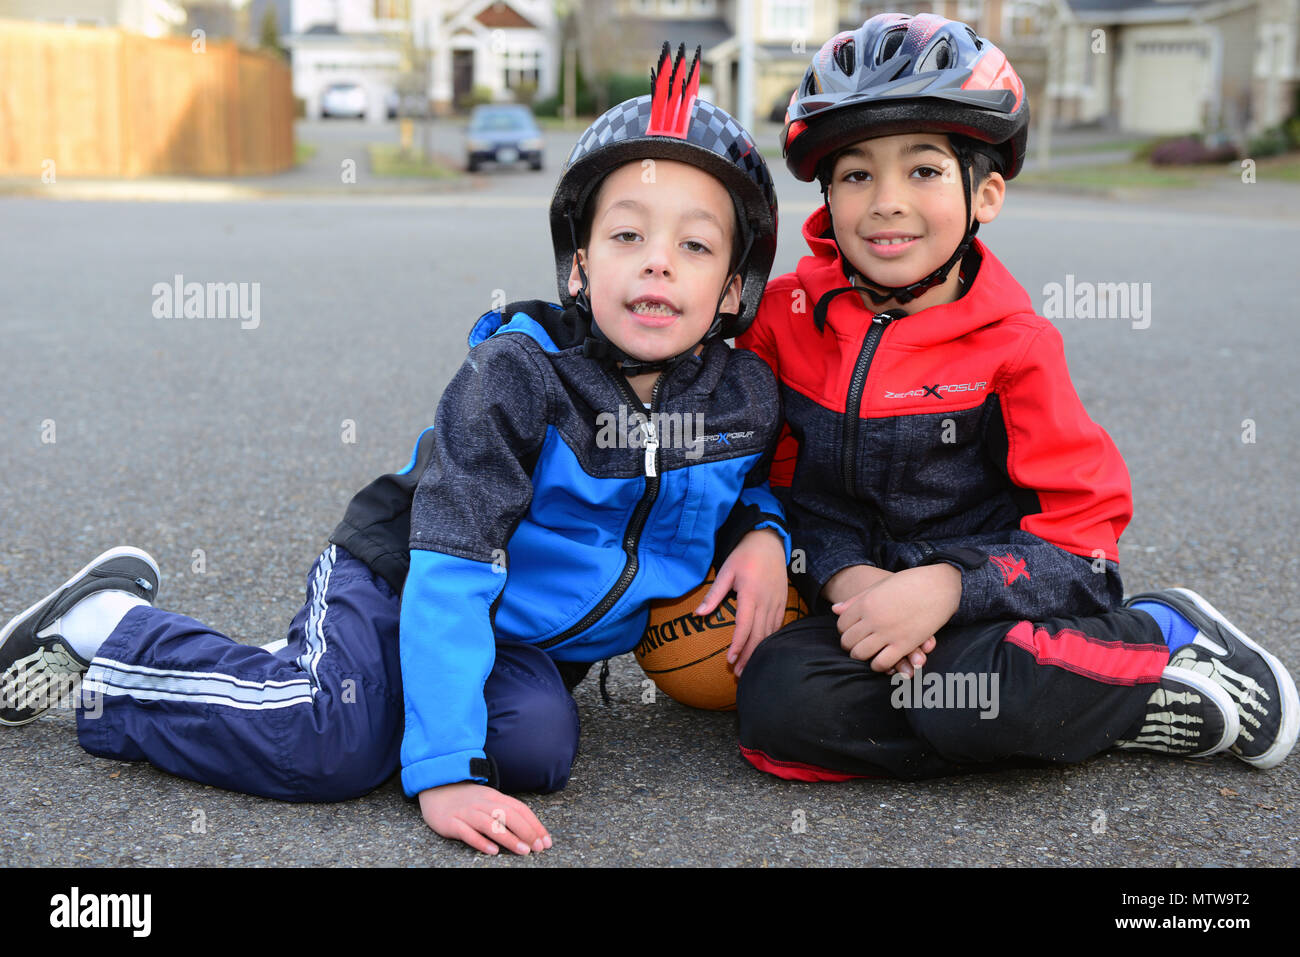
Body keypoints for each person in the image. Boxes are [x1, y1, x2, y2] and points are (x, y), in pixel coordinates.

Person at [0, 44, 791, 856]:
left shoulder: (746, 400)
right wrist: (445, 771)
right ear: (582, 267)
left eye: (696, 246)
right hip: (406, 572)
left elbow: (745, 490)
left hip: (522, 642)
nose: (659, 258)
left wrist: (767, 534)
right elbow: (454, 564)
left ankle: (323, 675)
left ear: (733, 287)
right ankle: (113, 631)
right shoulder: (517, 376)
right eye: (629, 233)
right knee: (333, 745)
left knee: (535, 751)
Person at [734, 13, 1297, 781]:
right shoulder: (784, 320)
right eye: (856, 173)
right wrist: (844, 574)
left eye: (924, 170)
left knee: (971, 698)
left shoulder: (1017, 347)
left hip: (1003, 601)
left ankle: (1162, 637)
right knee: (778, 703)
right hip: (869, 600)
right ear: (827, 197)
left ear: (986, 193)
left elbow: (1084, 550)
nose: (886, 201)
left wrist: (949, 588)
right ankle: (1097, 699)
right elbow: (782, 486)